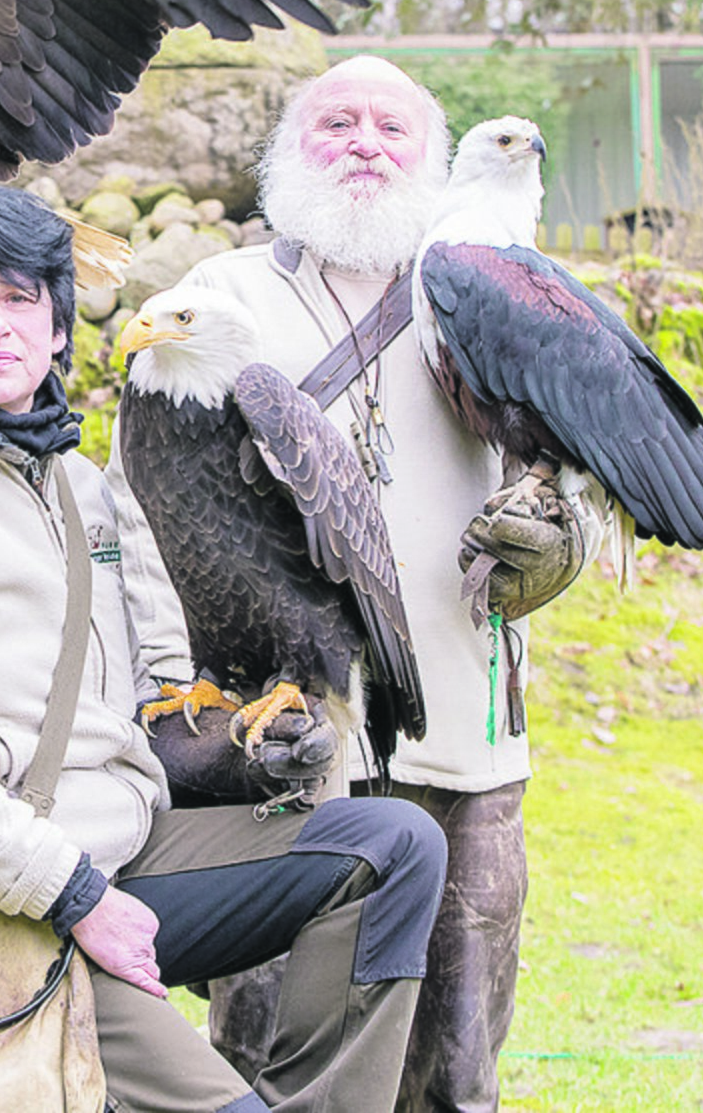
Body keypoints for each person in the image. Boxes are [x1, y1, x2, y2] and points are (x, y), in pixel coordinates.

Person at [0, 185, 447, 1113]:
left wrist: (234, 753)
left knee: (394, 842)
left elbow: (145, 696)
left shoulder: (74, 480)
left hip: (124, 850)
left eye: (21, 299)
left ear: (59, 329)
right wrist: (77, 899)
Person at [109, 55, 602, 1111]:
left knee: (454, 1061)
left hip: (458, 724)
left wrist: (563, 538)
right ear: (289, 151)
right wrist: (170, 686)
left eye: (393, 126)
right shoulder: (216, 296)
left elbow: (581, 470)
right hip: (279, 735)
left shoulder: (485, 293)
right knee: (265, 1040)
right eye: (336, 122)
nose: (365, 143)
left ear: (434, 157)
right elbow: (130, 513)